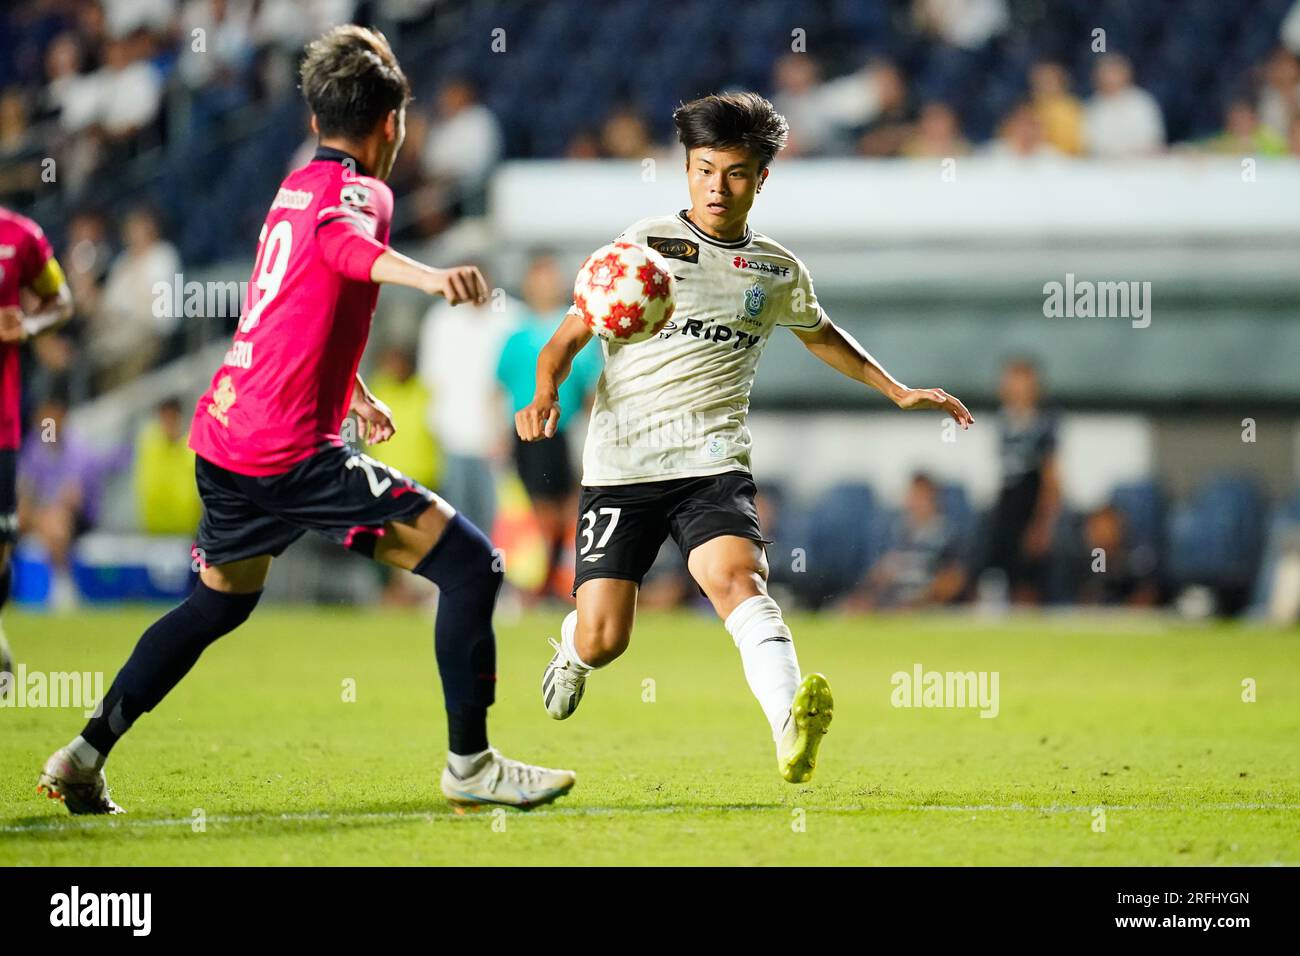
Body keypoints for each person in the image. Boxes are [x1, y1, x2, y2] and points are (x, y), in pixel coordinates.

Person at [37, 25, 574, 815]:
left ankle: (83, 755)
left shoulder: (292, 188)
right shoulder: (365, 193)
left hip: (225, 431)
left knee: (218, 602)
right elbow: (348, 248)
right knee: (472, 566)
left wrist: (352, 389)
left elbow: (292, 299)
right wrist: (428, 278)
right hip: (285, 447)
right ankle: (471, 765)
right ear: (392, 124)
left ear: (316, 118)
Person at [516, 92, 973, 783]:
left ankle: (791, 725)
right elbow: (564, 341)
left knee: (736, 580)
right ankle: (573, 655)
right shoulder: (642, 249)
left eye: (733, 173)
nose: (715, 187)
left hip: (711, 462)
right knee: (607, 637)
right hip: (623, 467)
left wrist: (896, 388)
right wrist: (546, 389)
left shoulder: (775, 271)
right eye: (703, 169)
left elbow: (821, 335)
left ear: (762, 177)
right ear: (686, 169)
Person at [496, 253, 601, 600]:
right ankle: (535, 586)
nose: (548, 286)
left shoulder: (577, 328)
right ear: (529, 285)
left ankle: (549, 583)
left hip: (566, 431)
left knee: (568, 509)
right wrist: (495, 434)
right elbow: (499, 388)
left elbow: (590, 390)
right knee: (540, 512)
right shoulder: (519, 334)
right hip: (530, 433)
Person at [0, 205, 74, 693]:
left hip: (1, 421)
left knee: (2, 538)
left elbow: (62, 300)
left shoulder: (21, 237)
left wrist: (26, 329)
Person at [983, 358, 1060, 605]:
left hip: (1030, 497)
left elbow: (1050, 475)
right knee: (1002, 571)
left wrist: (1043, 523)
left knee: (1028, 575)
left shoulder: (1043, 423)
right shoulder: (1003, 419)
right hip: (1007, 499)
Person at [843, 473, 967, 611]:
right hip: (891, 606)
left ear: (934, 499)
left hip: (925, 607)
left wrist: (921, 601)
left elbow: (953, 580)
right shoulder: (896, 532)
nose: (915, 502)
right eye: (913, 496)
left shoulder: (946, 534)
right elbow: (879, 574)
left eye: (921, 497)